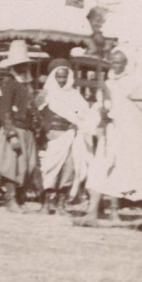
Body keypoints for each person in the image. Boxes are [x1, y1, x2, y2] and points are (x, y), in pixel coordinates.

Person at [85, 49, 142, 225]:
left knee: (136, 171)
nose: (115, 64)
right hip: (111, 130)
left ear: (125, 63)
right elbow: (104, 105)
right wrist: (104, 112)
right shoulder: (109, 83)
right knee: (102, 166)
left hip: (131, 134)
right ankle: (93, 212)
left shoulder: (134, 82)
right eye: (112, 61)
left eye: (118, 62)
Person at [38, 58, 92, 214]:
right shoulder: (47, 93)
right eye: (58, 76)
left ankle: (61, 204)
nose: (61, 80)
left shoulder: (74, 95)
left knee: (68, 168)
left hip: (69, 135)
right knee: (50, 168)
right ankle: (47, 203)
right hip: (52, 135)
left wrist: (76, 121)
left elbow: (81, 113)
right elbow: (38, 112)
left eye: (64, 77)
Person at [0, 39, 40, 211]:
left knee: (28, 165)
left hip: (27, 130)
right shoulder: (9, 83)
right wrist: (11, 134)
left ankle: (20, 198)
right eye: (18, 65)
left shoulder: (28, 85)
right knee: (11, 164)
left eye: (24, 64)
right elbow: (4, 110)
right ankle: (10, 199)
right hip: (14, 128)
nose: (22, 68)